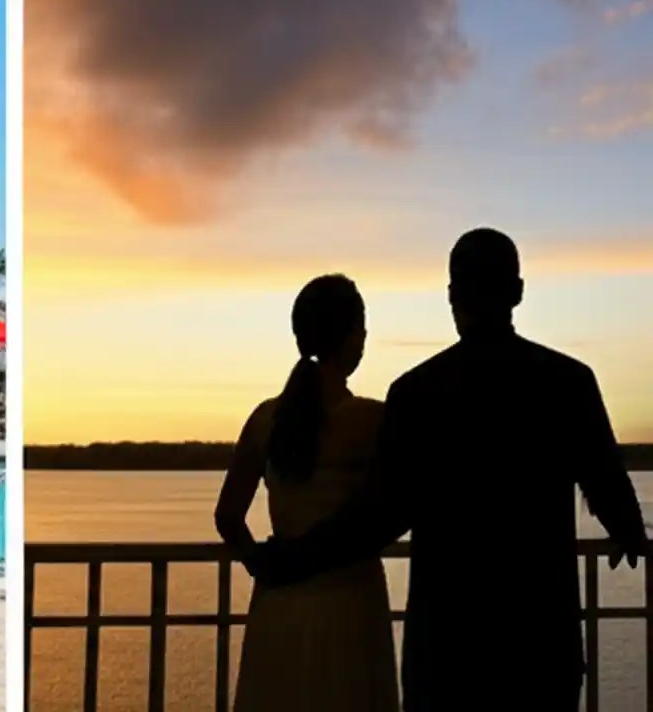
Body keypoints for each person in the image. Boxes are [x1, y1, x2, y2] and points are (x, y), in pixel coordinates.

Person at [244, 228, 647, 711]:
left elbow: (374, 519)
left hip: (445, 651)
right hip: (541, 645)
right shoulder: (569, 382)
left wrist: (289, 559)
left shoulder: (416, 393)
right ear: (517, 292)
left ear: (452, 297)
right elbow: (609, 488)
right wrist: (626, 530)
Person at [215, 274, 398, 712]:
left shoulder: (265, 419)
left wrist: (259, 561)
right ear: (354, 337)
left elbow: (227, 516)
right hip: (351, 603)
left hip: (279, 604)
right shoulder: (372, 422)